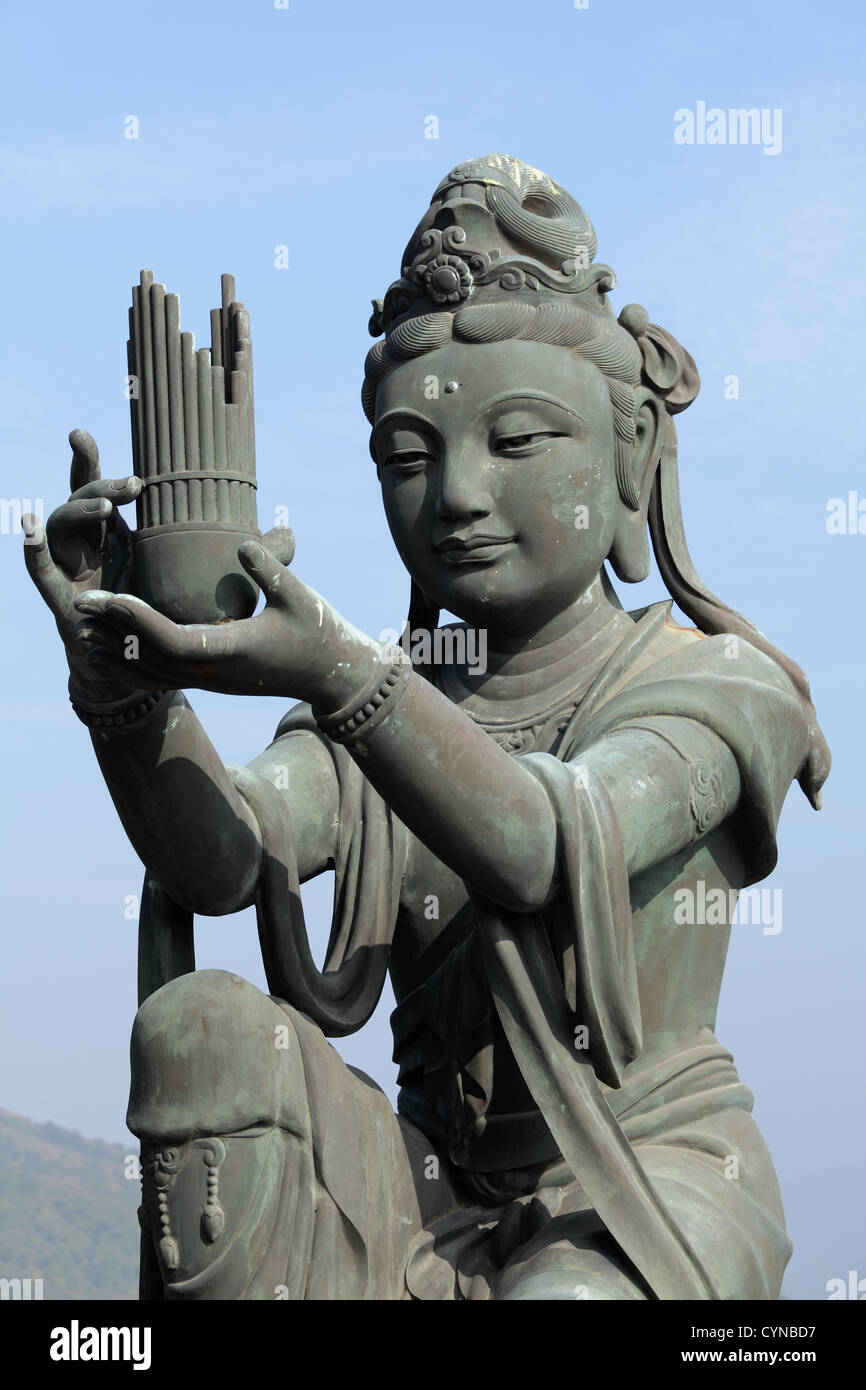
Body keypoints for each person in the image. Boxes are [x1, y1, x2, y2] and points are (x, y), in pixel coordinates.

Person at [23, 154, 829, 1300]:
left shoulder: (715, 684)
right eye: (410, 456)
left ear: (633, 451)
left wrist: (346, 673)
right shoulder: (393, 696)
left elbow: (545, 845)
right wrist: (123, 687)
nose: (454, 495)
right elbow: (223, 858)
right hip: (426, 1174)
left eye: (516, 442)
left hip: (643, 1179)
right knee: (202, 1026)